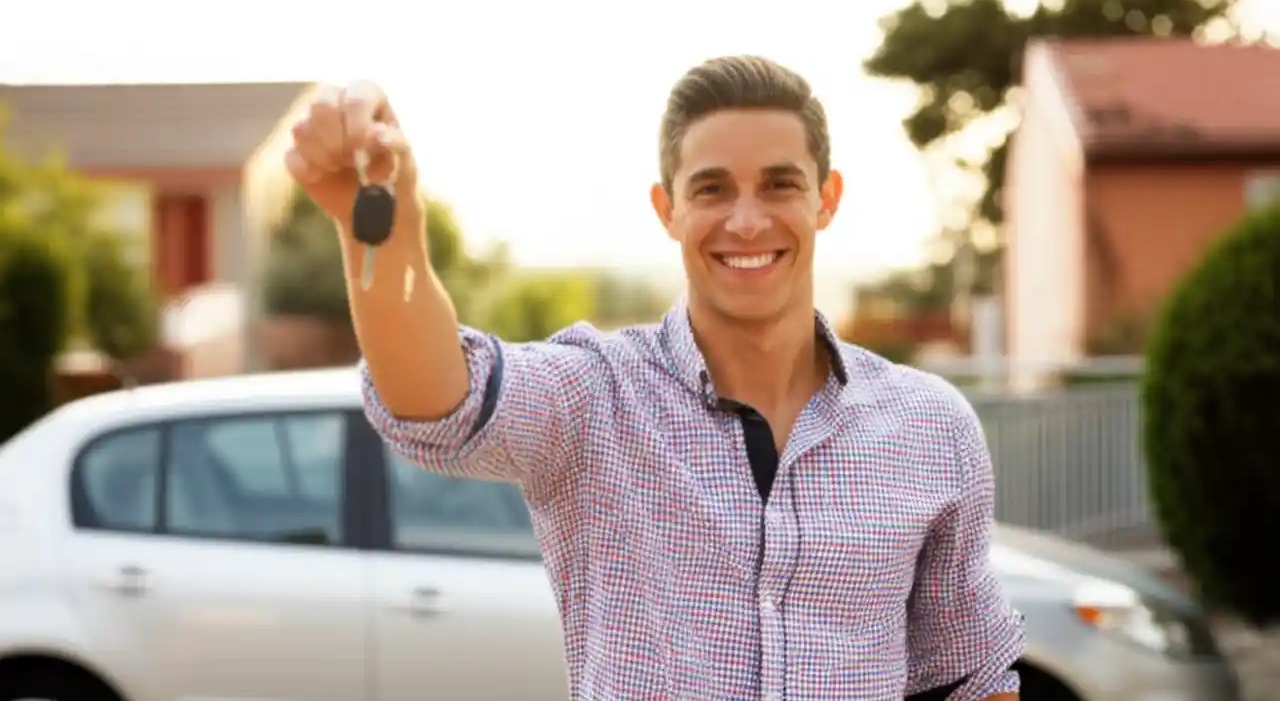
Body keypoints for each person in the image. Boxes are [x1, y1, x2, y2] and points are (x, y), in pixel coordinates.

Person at [285, 55, 1026, 700]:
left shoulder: (931, 428)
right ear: (665, 208)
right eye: (710, 190)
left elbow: (970, 672)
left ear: (825, 198)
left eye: (778, 185)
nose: (745, 221)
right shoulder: (597, 398)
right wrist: (378, 234)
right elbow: (438, 404)